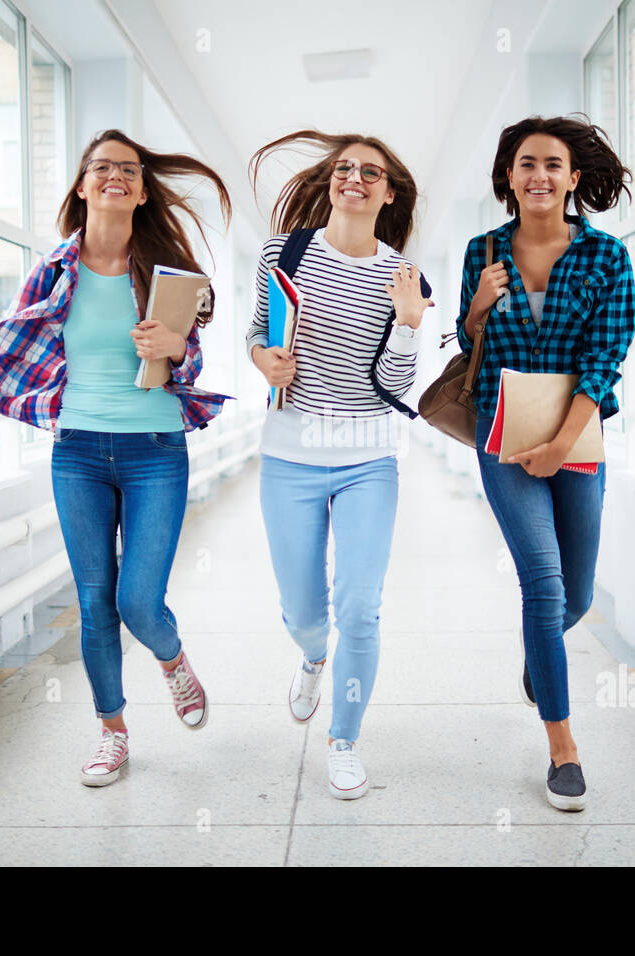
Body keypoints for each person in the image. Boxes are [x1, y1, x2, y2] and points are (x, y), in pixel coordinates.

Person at [0, 129, 233, 787]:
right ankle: (112, 732)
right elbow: (2, 347)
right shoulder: (53, 271)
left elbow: (187, 364)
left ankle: (172, 658)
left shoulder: (168, 273)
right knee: (95, 598)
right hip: (76, 451)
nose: (116, 176)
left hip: (155, 451)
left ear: (140, 191)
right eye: (102, 167)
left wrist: (173, 343)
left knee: (139, 600)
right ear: (82, 186)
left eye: (129, 170)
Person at [456, 114, 635, 811]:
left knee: (578, 596)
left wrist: (562, 442)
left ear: (573, 178)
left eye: (552, 164)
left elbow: (607, 354)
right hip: (501, 433)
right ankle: (563, 745)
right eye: (526, 163)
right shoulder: (484, 250)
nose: (539, 175)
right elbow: (473, 341)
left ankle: (541, 655)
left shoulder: (606, 256)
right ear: (509, 176)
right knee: (544, 584)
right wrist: (476, 307)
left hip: (578, 436)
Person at [245, 130, 432, 799]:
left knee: (360, 606)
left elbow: (394, 382)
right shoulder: (283, 252)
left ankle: (344, 738)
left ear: (388, 193)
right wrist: (264, 359)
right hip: (290, 452)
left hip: (367, 457)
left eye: (371, 172)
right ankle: (312, 655)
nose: (355, 178)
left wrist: (408, 321)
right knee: (303, 611)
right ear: (331, 182)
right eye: (345, 168)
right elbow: (258, 334)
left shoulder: (402, 276)